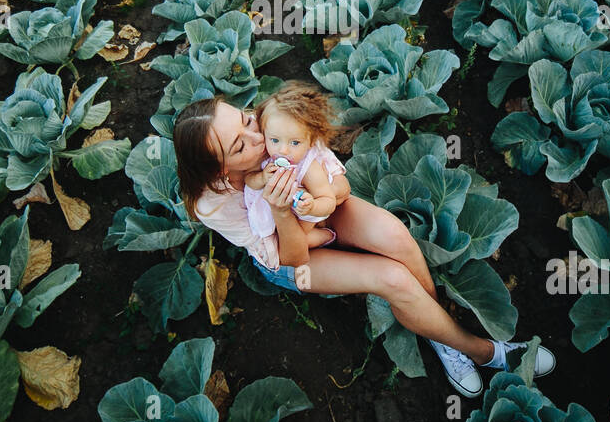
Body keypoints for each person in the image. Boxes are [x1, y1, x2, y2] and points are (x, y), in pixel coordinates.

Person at [173, 95, 556, 398]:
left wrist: (317, 202)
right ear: (222, 170)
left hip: (323, 209)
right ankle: (483, 352)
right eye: (240, 147)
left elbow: (341, 189)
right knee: (393, 279)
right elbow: (291, 257)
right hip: (292, 254)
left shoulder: (273, 125)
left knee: (396, 236)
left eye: (245, 119)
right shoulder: (214, 203)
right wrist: (283, 212)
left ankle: (437, 329)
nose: (258, 139)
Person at [242, 81, 352, 250]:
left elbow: (328, 200)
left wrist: (312, 206)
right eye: (275, 140)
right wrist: (262, 177)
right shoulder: (266, 157)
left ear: (311, 142)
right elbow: (249, 180)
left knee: (298, 239)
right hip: (274, 210)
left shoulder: (308, 168)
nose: (283, 150)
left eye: (295, 142)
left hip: (302, 216)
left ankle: (325, 236)